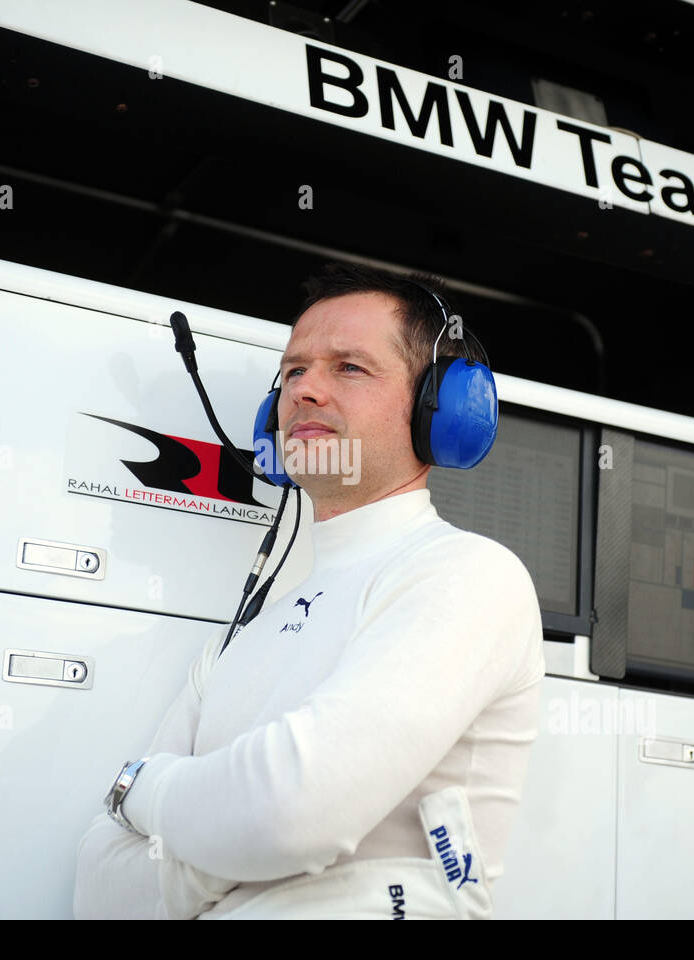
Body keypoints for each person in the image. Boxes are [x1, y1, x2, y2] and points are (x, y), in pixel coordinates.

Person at [73, 262, 546, 919]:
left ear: (439, 410)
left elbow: (290, 813)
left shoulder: (469, 576)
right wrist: (237, 857)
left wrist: (139, 788)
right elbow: (98, 890)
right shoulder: (247, 629)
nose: (306, 391)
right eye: (294, 371)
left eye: (349, 367)